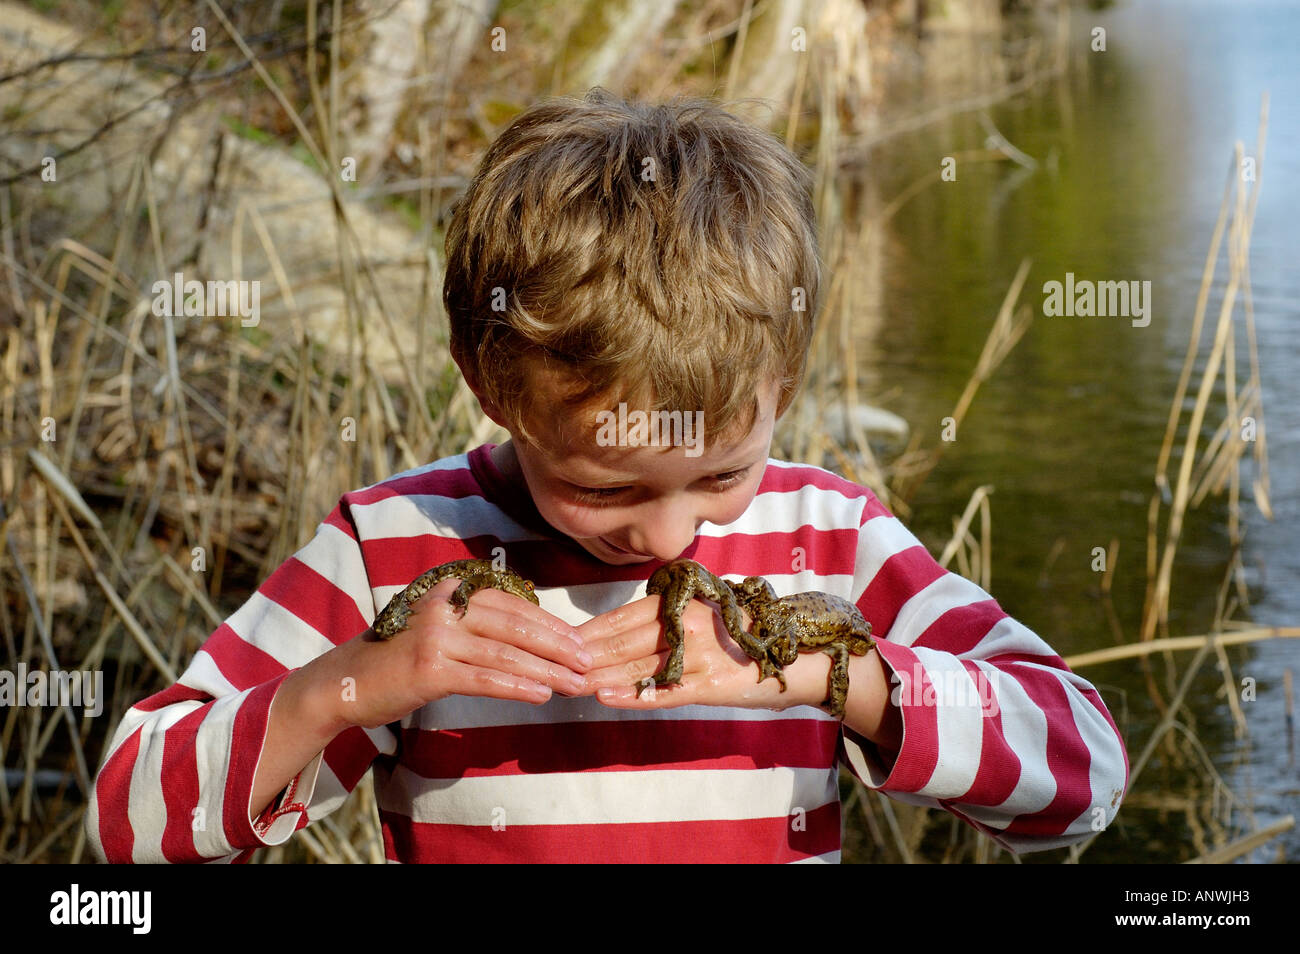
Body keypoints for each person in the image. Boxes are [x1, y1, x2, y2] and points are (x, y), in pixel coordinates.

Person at [87, 88, 1128, 863]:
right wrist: (354, 687)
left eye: (721, 475)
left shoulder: (830, 537)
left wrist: (828, 675)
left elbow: (1080, 771)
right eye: (607, 488)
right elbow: (130, 816)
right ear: (492, 388)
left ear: (787, 381)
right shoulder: (398, 547)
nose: (672, 541)